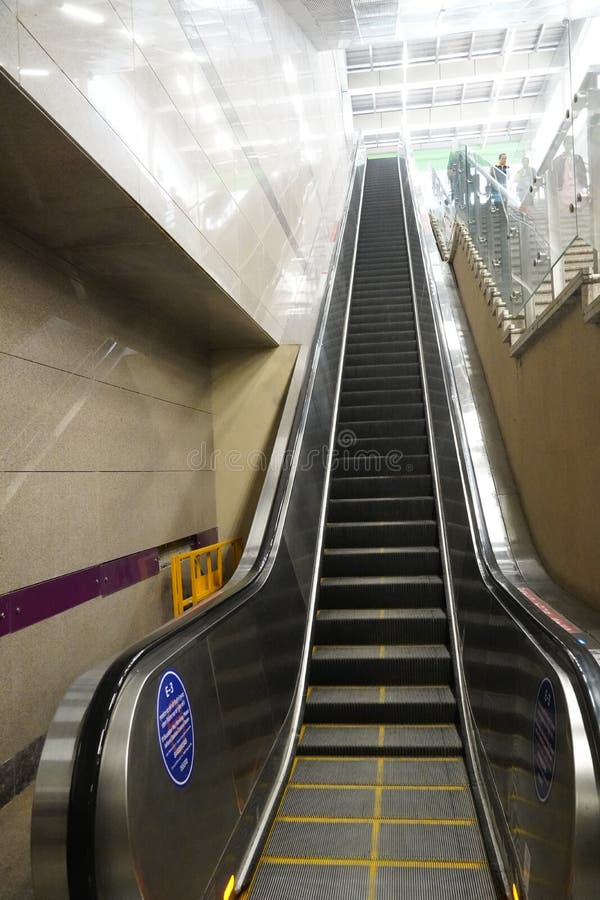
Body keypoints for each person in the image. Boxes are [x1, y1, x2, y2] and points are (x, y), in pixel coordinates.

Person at [551, 138, 587, 207]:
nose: (569, 145)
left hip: (576, 183)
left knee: (577, 199)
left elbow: (583, 172)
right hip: (564, 184)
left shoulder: (577, 158)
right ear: (564, 145)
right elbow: (555, 174)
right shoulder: (557, 160)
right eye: (568, 143)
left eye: (571, 143)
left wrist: (584, 184)